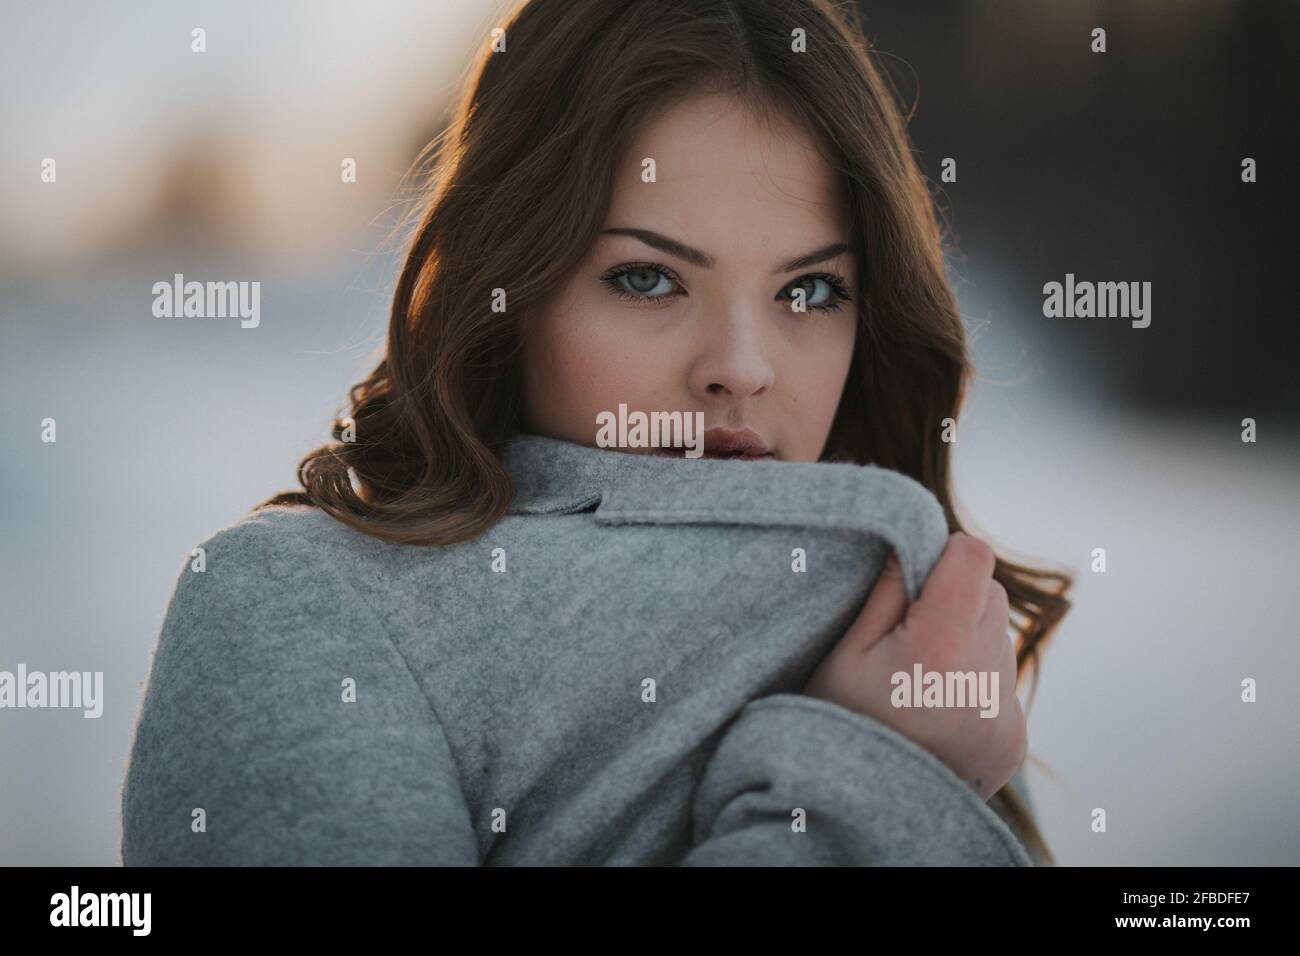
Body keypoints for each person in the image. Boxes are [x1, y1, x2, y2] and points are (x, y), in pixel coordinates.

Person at [121, 0, 1072, 866]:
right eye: (649, 278)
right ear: (508, 293)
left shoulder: (911, 623)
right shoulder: (290, 608)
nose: (742, 366)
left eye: (808, 290)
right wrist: (863, 794)